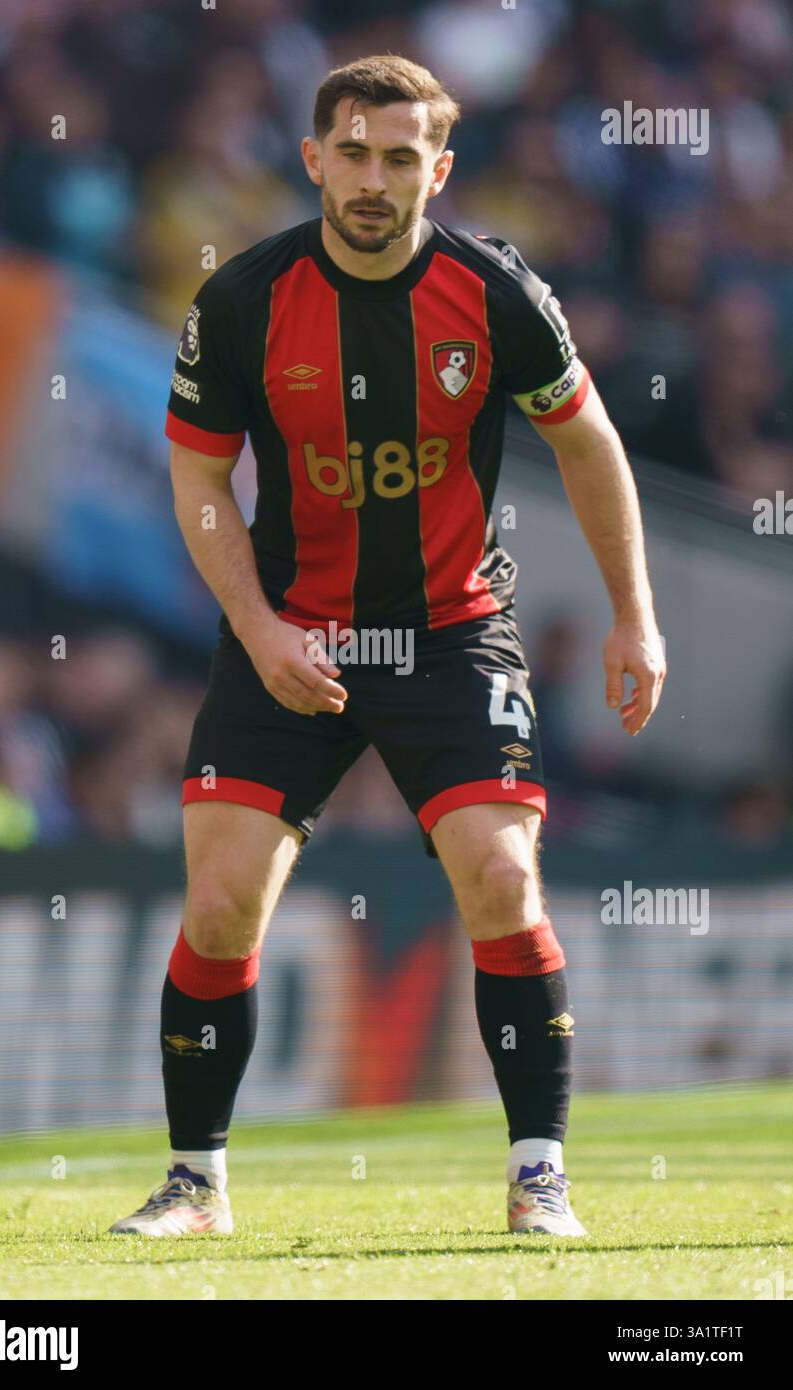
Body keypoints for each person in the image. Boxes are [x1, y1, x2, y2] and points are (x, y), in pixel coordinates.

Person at [110, 54, 666, 1239]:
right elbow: (199, 476)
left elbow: (588, 443)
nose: (373, 179)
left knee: (502, 882)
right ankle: (195, 1185)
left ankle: (536, 1179)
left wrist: (633, 612)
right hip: (287, 636)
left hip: (449, 631)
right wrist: (256, 630)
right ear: (312, 157)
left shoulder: (494, 292)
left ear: (439, 169)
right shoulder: (244, 300)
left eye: (400, 157)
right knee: (218, 906)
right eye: (352, 153)